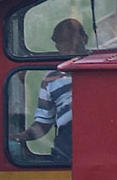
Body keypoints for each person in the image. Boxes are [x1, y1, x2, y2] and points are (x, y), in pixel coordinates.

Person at [17, 18, 89, 164]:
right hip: (68, 145)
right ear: (57, 46)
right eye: (65, 41)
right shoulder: (51, 78)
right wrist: (21, 136)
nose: (71, 45)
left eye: (73, 39)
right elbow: (43, 122)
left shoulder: (99, 69)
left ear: (84, 38)